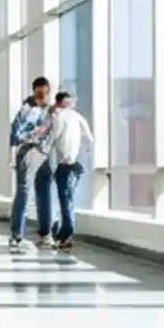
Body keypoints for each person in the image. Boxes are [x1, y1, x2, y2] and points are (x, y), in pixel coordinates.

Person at [7, 76, 56, 253]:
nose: (43, 97)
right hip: (28, 151)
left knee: (44, 190)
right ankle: (16, 236)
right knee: (24, 190)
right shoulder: (28, 109)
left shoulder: (48, 110)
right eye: (39, 94)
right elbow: (17, 133)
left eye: (45, 94)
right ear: (34, 92)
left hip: (43, 153)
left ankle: (45, 234)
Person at [47, 91, 95, 258]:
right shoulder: (78, 117)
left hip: (65, 164)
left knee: (65, 199)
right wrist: (80, 155)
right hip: (77, 165)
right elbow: (89, 140)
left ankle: (65, 235)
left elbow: (52, 139)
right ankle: (65, 235)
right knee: (69, 199)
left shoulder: (59, 117)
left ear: (58, 103)